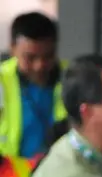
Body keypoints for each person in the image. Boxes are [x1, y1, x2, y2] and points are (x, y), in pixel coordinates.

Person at [0, 12, 67, 160]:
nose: (39, 66)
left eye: (48, 56)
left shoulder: (71, 79)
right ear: (12, 49)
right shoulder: (1, 80)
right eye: (30, 57)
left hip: (59, 173)